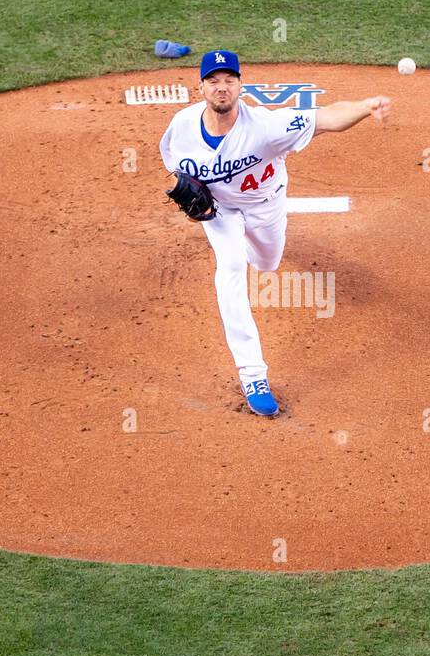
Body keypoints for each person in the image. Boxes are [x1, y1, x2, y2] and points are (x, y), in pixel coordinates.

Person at [159, 49, 391, 416]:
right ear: (201, 86)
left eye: (229, 81)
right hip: (221, 214)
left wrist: (365, 107)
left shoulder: (267, 127)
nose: (222, 88)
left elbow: (326, 117)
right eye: (213, 81)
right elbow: (176, 174)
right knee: (231, 268)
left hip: (266, 206)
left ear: (240, 85)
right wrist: (193, 210)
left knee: (267, 264)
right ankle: (253, 374)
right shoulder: (181, 128)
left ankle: (257, 249)